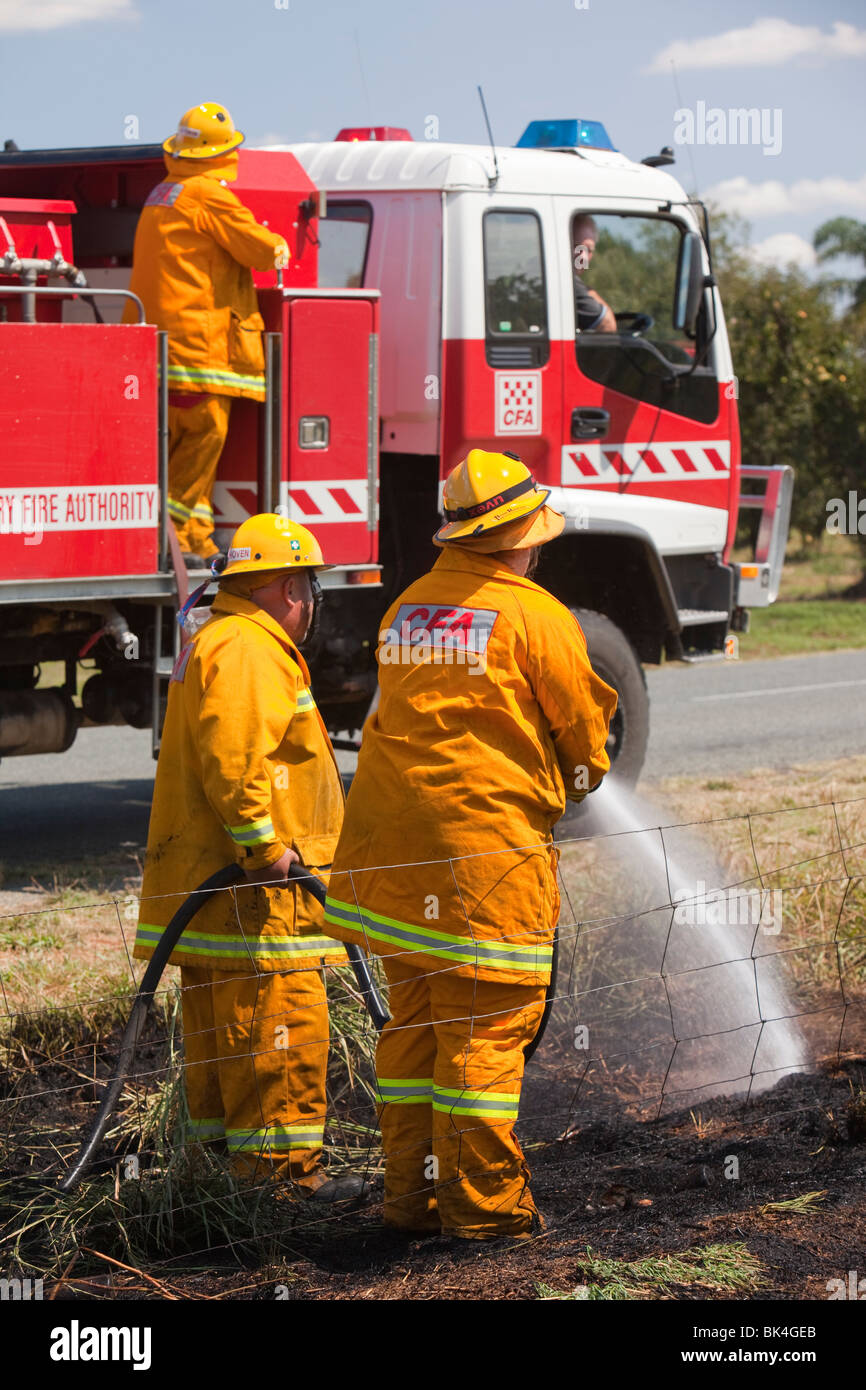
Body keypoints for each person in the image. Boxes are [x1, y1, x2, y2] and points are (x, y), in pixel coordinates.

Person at [323, 450, 617, 1239]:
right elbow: (586, 736)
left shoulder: (408, 607)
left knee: (416, 1028)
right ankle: (484, 1215)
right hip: (479, 864)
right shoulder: (534, 615)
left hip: (393, 862)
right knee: (485, 1033)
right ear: (521, 535)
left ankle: (408, 1203)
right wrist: (581, 778)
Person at [134, 513, 367, 1203]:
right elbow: (235, 760)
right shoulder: (247, 648)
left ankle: (217, 1184)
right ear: (292, 586)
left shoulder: (222, 636)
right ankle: (280, 1187)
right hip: (260, 900)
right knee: (279, 1034)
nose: (310, 604)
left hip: (218, 902)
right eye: (309, 589)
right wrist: (264, 849)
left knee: (223, 1042)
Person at [123, 104, 290, 567]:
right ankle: (177, 536)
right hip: (198, 346)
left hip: (161, 347)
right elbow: (259, 249)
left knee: (181, 443)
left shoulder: (165, 191)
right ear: (225, 152)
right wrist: (280, 243)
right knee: (206, 433)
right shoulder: (206, 194)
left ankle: (195, 541)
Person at [572, 214, 616, 333]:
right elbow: (607, 326)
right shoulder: (566, 283)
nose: (583, 256)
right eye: (576, 246)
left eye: (589, 250)